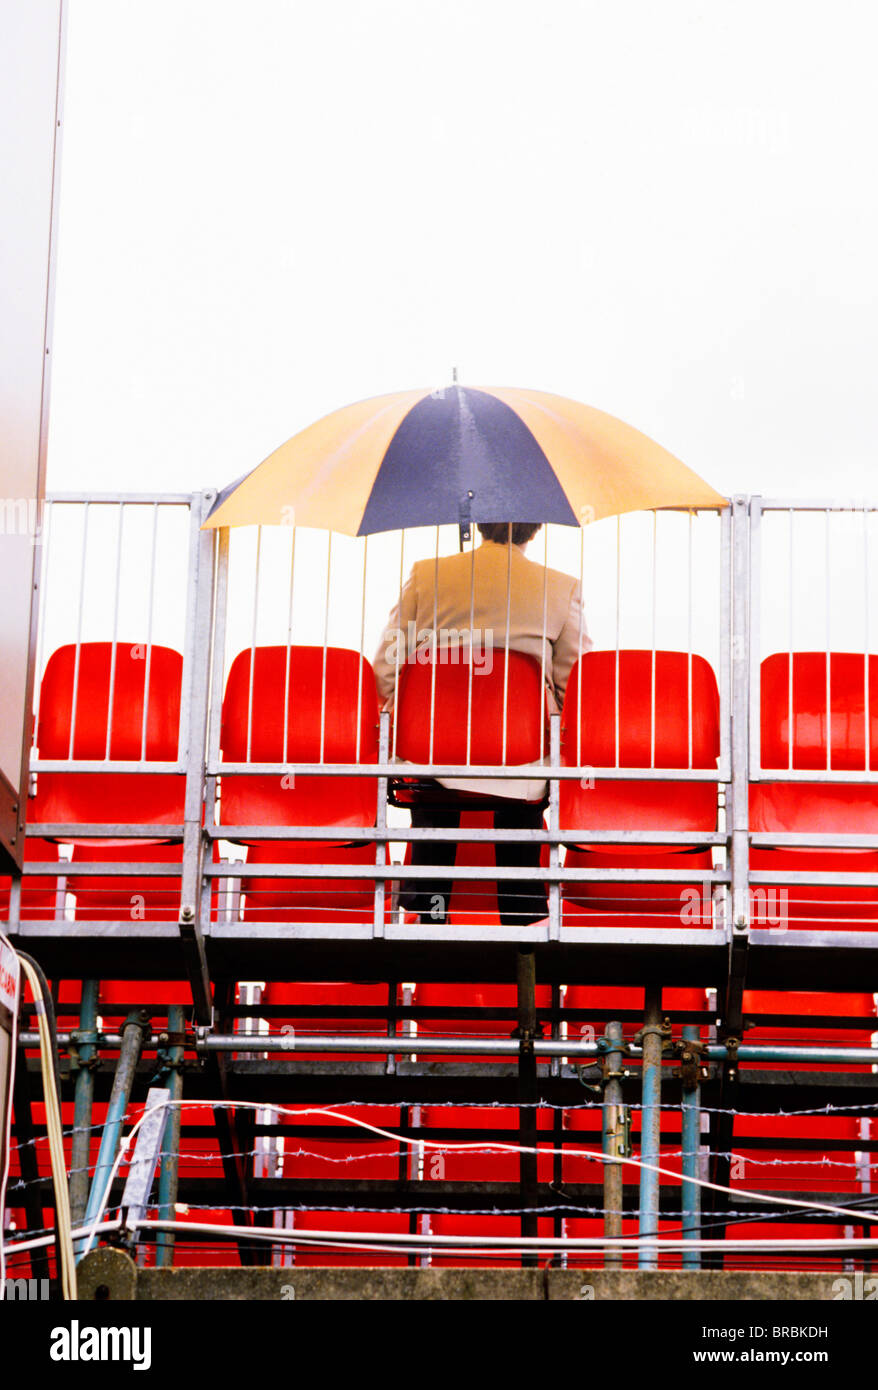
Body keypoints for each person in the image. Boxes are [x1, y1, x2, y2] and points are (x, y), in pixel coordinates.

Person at [372, 522, 591, 925]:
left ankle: (428, 912)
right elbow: (575, 687)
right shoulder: (562, 588)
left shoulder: (426, 575)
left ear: (477, 521)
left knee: (433, 795)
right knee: (523, 795)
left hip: (429, 759)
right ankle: (520, 913)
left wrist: (396, 724)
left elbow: (385, 670)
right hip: (520, 763)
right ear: (537, 528)